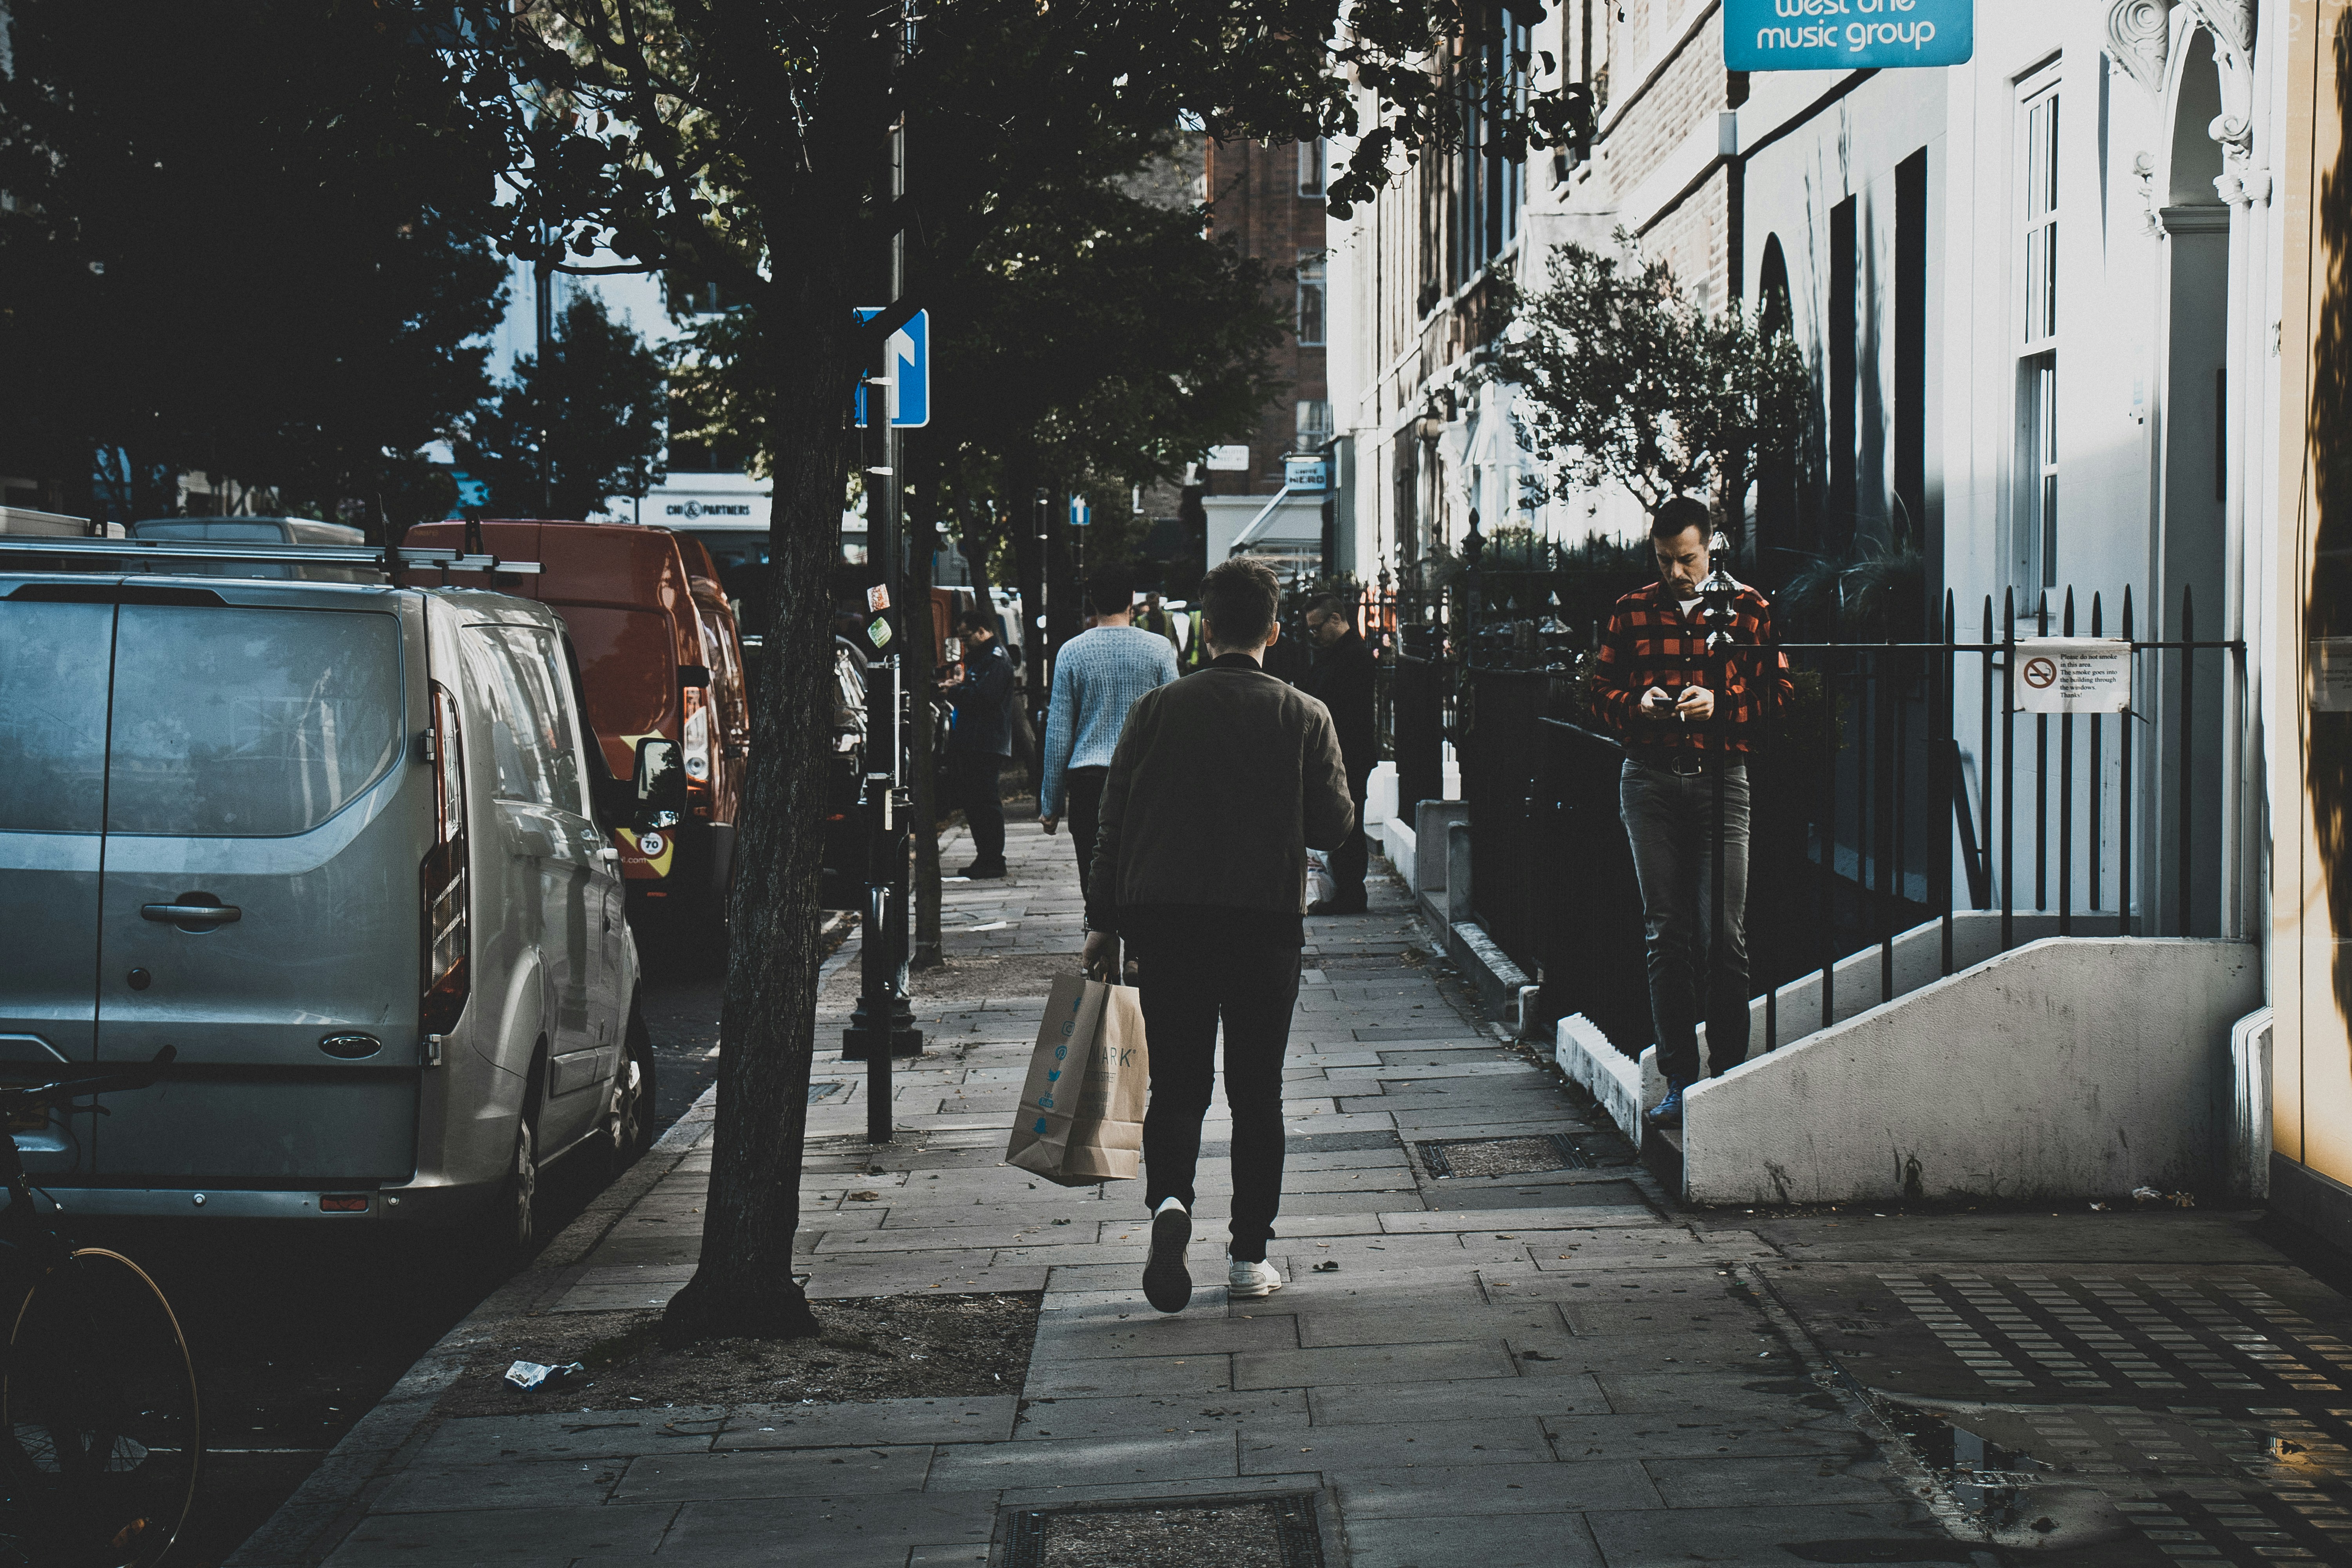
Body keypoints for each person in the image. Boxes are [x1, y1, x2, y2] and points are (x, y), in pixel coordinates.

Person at [1083, 557, 1355, 1313]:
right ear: (1273, 630)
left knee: (1178, 1086)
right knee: (1256, 1093)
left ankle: (1170, 1203)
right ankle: (1247, 1258)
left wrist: (1102, 923)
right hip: (1264, 924)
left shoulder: (1157, 710)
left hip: (1166, 924)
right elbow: (1336, 827)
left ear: (1205, 630)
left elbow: (1115, 822)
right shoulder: (1304, 714)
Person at [1589, 496, 1792, 1128]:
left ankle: (1729, 1074)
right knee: (1665, 934)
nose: (1678, 572)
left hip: (1721, 782)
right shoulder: (1631, 612)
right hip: (1648, 783)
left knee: (1722, 935)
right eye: (1665, 561)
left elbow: (1781, 693)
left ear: (1712, 547)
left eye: (1688, 559)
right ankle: (1680, 1079)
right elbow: (1597, 696)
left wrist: (1722, 705)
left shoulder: (1749, 609)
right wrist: (1637, 703)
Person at [1039, 565, 1180, 899]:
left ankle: (1101, 948)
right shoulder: (1159, 649)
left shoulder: (1071, 652)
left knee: (1096, 879)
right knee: (1142, 877)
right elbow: (1174, 721)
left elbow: (1059, 734)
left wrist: (1052, 803)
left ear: (1092, 600)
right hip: (1143, 776)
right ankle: (1136, 949)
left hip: (1089, 780)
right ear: (1132, 599)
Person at [1303, 595, 1378, 915]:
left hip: (1349, 756)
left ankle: (1350, 894)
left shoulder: (1354, 657)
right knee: (1342, 822)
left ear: (1336, 619)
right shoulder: (1335, 654)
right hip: (1340, 755)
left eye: (1317, 628)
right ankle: (1345, 891)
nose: (1314, 635)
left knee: (1348, 825)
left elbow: (1343, 712)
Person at [939, 604, 1016, 878]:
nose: (964, 643)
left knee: (985, 801)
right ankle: (986, 856)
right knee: (975, 802)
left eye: (966, 637)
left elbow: (985, 699)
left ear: (982, 632)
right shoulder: (983, 659)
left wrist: (956, 691)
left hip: (985, 742)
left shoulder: (995, 660)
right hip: (975, 740)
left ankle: (993, 858)